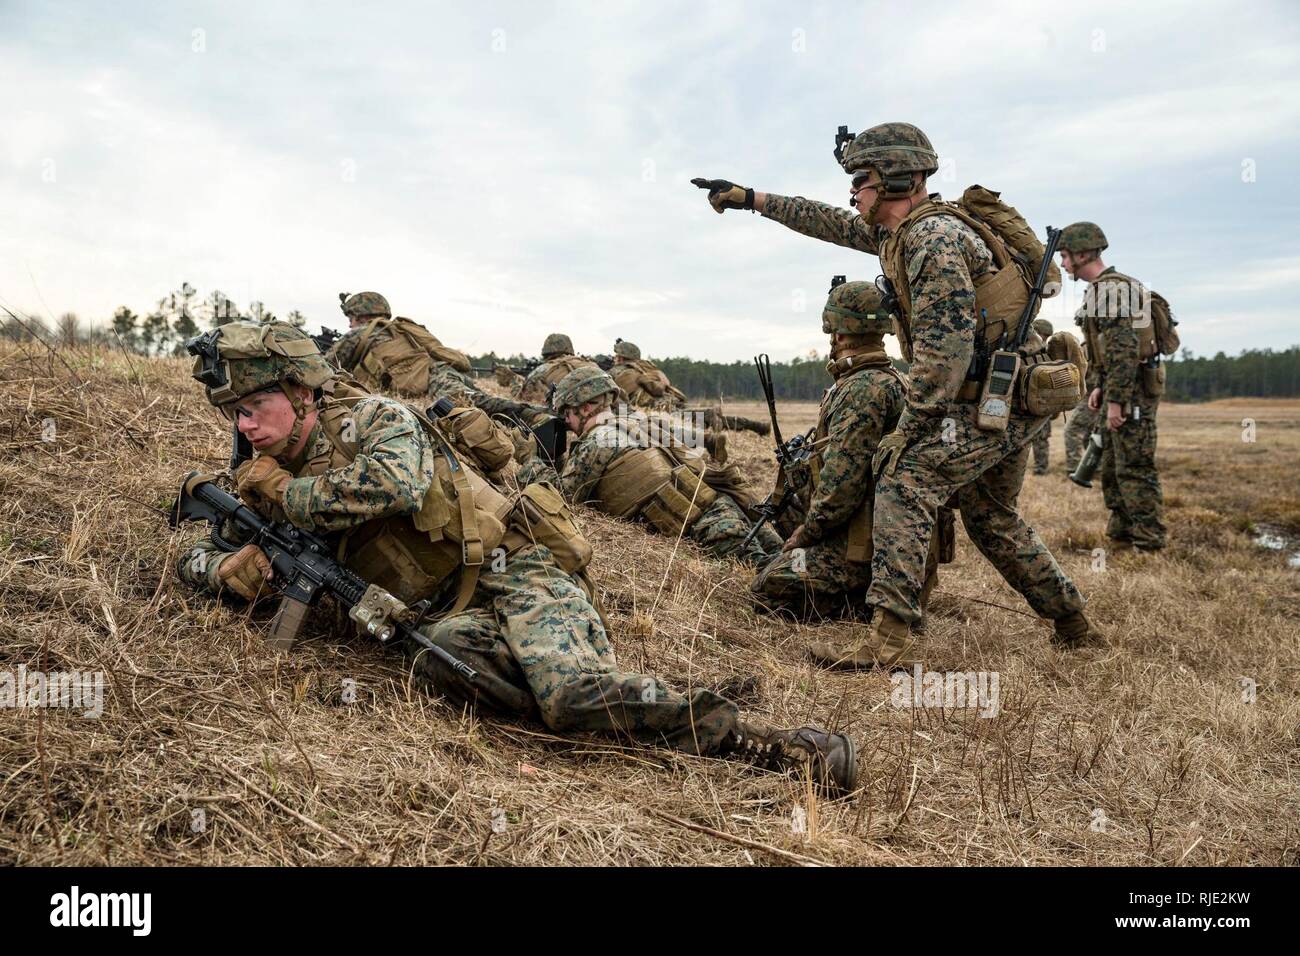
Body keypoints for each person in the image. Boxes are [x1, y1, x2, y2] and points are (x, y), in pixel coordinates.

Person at [175, 320, 857, 793]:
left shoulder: (375, 420)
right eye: (233, 412)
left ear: (302, 392)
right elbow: (200, 551)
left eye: (256, 405)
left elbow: (393, 485)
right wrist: (224, 572)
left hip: (515, 569)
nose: (245, 426)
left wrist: (285, 493)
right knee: (440, 658)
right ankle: (636, 700)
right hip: (444, 614)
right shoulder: (257, 474)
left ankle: (765, 744)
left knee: (566, 697)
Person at [694, 121, 1098, 667]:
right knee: (990, 515)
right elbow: (830, 222)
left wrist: (909, 428)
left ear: (895, 180)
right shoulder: (899, 232)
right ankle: (1074, 625)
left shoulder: (933, 242)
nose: (853, 192)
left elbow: (945, 352)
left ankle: (890, 638)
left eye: (861, 179)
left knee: (905, 479)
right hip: (1007, 394)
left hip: (991, 398)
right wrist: (752, 199)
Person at [750, 278, 951, 622]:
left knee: (767, 586)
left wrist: (807, 533)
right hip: (887, 538)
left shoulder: (863, 389)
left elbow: (841, 485)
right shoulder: (889, 378)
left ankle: (864, 603)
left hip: (868, 547)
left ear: (839, 334)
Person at [520, 366, 782, 565]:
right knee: (786, 560)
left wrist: (531, 461)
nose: (568, 423)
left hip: (713, 530)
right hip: (725, 510)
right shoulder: (635, 424)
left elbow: (560, 498)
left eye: (567, 413)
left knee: (772, 581)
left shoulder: (597, 441)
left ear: (586, 407)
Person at [1060, 222, 1167, 551]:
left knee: (1134, 467)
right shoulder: (1103, 289)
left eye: (1065, 256)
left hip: (1132, 391)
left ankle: (1148, 543)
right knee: (1112, 467)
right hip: (1120, 387)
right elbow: (1107, 352)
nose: (1063, 264)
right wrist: (1100, 388)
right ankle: (1122, 536)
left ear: (1082, 254)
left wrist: (1117, 402)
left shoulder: (1111, 291)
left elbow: (1123, 351)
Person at [327, 291, 548, 426]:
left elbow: (324, 367)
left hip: (435, 379)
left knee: (468, 405)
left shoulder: (360, 334)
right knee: (478, 401)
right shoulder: (403, 329)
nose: (349, 325)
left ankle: (535, 416)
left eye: (351, 318)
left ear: (363, 316)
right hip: (445, 371)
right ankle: (533, 413)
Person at [1030, 318, 1054, 475]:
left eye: (1046, 336)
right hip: (1033, 398)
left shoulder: (1049, 351)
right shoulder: (1029, 347)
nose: (1043, 338)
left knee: (1041, 437)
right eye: (1041, 334)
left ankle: (1041, 468)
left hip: (1042, 401)